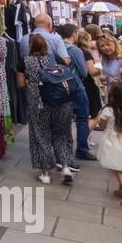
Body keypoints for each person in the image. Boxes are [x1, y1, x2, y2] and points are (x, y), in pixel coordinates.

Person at [20, 35, 75, 185]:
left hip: (38, 104)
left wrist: (30, 81)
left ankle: (45, 174)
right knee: (61, 134)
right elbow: (66, 71)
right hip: (61, 102)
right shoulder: (54, 57)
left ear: (30, 46)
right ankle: (65, 168)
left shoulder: (24, 60)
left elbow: (20, 84)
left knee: (41, 135)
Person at [58, 23, 92, 163]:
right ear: (74, 34)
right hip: (76, 86)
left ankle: (63, 149)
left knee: (63, 119)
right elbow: (84, 72)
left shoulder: (57, 47)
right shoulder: (76, 50)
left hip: (59, 87)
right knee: (82, 118)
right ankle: (82, 150)